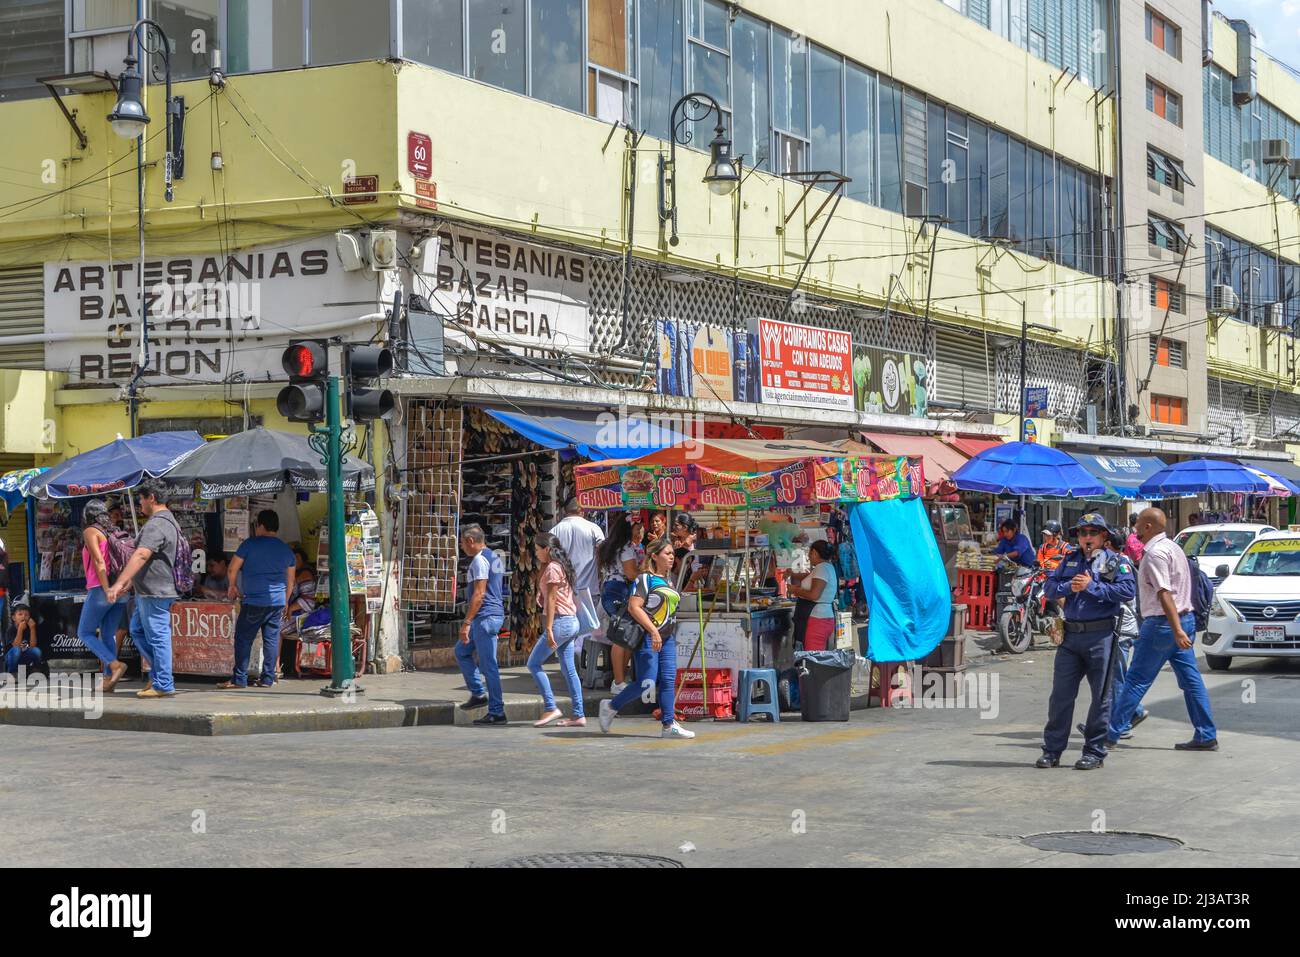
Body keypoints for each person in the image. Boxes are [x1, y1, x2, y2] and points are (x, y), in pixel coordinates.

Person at [1108, 508, 1219, 752]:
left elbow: (1164, 593)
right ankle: (1206, 734)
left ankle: (1110, 733)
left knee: (1136, 680)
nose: (1134, 528)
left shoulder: (1156, 553)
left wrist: (1176, 629)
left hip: (1163, 624)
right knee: (1191, 682)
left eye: (1138, 524)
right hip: (1182, 621)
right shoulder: (1173, 548)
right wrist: (1180, 628)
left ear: (1148, 527)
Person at [1036, 513, 1135, 770]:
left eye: (1092, 533)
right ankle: (1052, 751)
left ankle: (1094, 751)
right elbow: (1049, 588)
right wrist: (1071, 587)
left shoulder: (1115, 562)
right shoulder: (1069, 560)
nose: (1087, 538)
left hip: (1100, 635)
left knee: (1101, 697)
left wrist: (1092, 586)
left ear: (1104, 537)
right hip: (1070, 636)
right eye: (1082, 533)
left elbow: (1126, 592)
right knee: (1060, 696)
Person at [598, 538, 695, 740]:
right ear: (654, 556)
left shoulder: (668, 580)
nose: (671, 557)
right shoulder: (645, 579)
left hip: (667, 637)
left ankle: (669, 724)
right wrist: (653, 631)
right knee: (647, 683)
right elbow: (634, 607)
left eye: (672, 553)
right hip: (648, 636)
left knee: (668, 679)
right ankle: (610, 706)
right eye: (667, 553)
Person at [105, 480, 180, 698]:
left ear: (152, 498)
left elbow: (141, 555)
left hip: (155, 591)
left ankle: (164, 683)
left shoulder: (157, 524)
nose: (140, 504)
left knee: (158, 635)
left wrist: (119, 582)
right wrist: (128, 584)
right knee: (137, 629)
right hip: (145, 590)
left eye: (141, 499)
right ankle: (157, 676)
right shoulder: (166, 521)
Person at [218, 510, 296, 690]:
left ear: (260, 525)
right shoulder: (285, 549)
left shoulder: (249, 544)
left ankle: (239, 679)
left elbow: (232, 569)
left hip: (254, 601)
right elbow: (290, 580)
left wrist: (232, 585)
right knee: (271, 639)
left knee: (243, 639)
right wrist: (284, 601)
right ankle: (267, 679)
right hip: (276, 602)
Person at [527, 533, 586, 728]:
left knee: (534, 663)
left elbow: (552, 600)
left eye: (537, 549)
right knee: (569, 670)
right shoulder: (559, 566)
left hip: (561, 622)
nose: (536, 554)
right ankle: (578, 714)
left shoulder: (553, 567)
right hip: (571, 621)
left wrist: (549, 628)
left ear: (546, 549)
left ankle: (550, 706)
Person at [454, 524, 507, 725]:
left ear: (470, 541)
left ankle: (497, 711)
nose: (462, 548)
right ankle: (478, 693)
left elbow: (479, 594)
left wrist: (466, 622)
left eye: (462, 543)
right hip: (490, 616)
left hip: (485, 617)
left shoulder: (479, 560)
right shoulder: (493, 556)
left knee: (488, 665)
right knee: (461, 651)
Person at [76, 499, 129, 691]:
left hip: (101, 588)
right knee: (107, 634)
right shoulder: (113, 530)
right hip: (122, 589)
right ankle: (108, 679)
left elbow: (99, 562)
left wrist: (107, 589)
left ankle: (114, 665)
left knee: (85, 632)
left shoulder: (91, 531)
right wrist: (122, 585)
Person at [596, 513, 642, 695]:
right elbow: (631, 574)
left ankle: (620, 678)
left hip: (609, 588)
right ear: (628, 529)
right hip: (620, 589)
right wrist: (645, 572)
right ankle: (619, 680)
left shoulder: (608, 546)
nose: (640, 533)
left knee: (625, 634)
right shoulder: (626, 548)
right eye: (637, 529)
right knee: (622, 635)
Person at [789, 541, 840, 651]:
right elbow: (810, 577)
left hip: (817, 619)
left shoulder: (821, 568)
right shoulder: (827, 567)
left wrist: (795, 590)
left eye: (810, 553)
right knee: (816, 656)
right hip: (824, 618)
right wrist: (792, 574)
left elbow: (814, 594)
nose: (808, 557)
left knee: (813, 657)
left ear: (815, 553)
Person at [549, 499, 605, 597]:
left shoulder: (554, 531)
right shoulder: (594, 529)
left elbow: (549, 561)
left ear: (565, 511)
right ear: (581, 510)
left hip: (563, 593)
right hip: (589, 590)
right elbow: (603, 554)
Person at [4, 600, 42, 677]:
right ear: (14, 618)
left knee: (37, 651)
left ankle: (32, 669)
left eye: (26, 615)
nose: (23, 617)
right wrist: (20, 630)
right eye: (20, 614)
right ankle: (12, 673)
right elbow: (16, 645)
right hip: (11, 658)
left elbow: (32, 646)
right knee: (17, 650)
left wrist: (32, 628)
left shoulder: (29, 628)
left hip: (23, 657)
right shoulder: (11, 630)